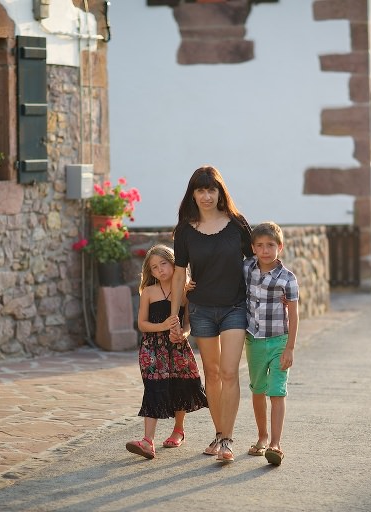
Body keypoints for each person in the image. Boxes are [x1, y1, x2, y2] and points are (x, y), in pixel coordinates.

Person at [169, 165, 253, 463]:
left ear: (220, 192)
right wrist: (175, 316)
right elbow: (179, 275)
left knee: (230, 372)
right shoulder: (184, 230)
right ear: (193, 193)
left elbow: (255, 264)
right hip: (202, 309)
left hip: (235, 307)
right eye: (200, 190)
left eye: (211, 190)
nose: (206, 196)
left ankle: (228, 439)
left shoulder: (237, 225)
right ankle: (218, 434)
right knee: (213, 373)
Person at [126, 245, 208, 460]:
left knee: (180, 385)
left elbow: (188, 323)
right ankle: (147, 441)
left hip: (177, 347)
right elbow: (142, 324)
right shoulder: (149, 292)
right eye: (154, 267)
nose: (160, 270)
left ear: (173, 263)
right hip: (152, 348)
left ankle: (178, 430)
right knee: (153, 388)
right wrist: (163, 325)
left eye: (163, 263)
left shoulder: (185, 292)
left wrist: (184, 334)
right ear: (150, 272)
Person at [243, 222, 299, 466]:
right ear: (253, 248)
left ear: (280, 247)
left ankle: (276, 444)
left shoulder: (288, 279)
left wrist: (290, 348)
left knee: (277, 391)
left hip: (279, 341)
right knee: (258, 389)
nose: (265, 250)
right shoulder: (246, 269)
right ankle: (262, 437)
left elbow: (294, 315)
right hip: (253, 341)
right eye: (260, 246)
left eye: (270, 245)